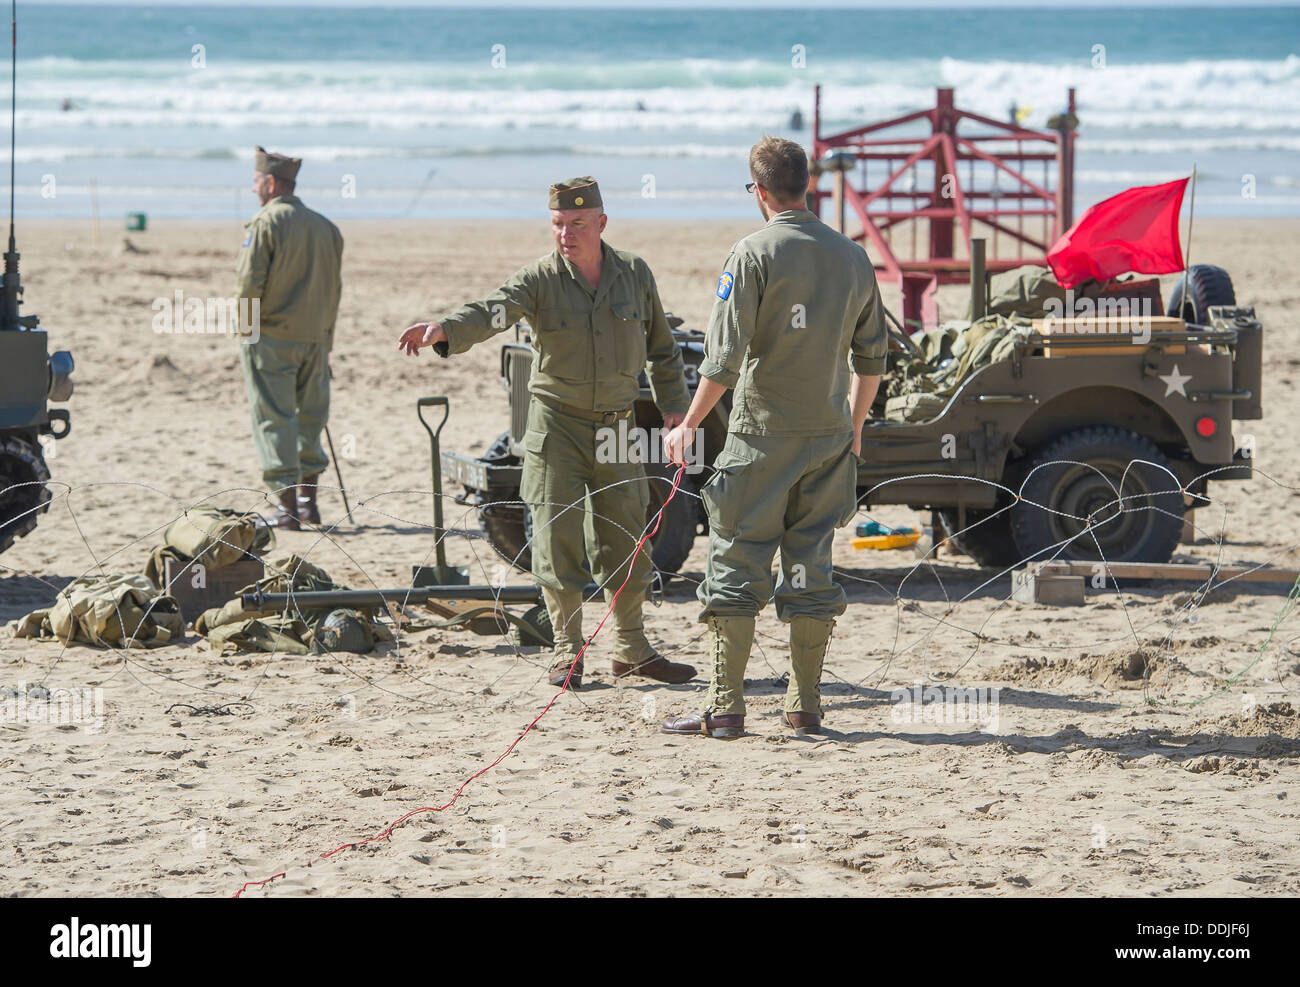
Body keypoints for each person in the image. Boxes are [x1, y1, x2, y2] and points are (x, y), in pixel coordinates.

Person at [397, 177, 696, 689]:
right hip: (557, 426)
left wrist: (674, 407)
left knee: (627, 537)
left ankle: (632, 649)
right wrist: (445, 328)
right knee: (556, 538)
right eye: (558, 223)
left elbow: (662, 349)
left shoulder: (634, 274)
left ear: (601, 223)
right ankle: (567, 652)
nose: (566, 233)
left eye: (578, 223)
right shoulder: (539, 279)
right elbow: (494, 309)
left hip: (618, 427)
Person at [660, 137, 886, 739]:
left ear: (759, 192)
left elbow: (722, 359)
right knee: (811, 567)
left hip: (761, 436)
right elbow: (873, 363)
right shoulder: (854, 257)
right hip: (829, 436)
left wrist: (686, 425)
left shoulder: (752, 252)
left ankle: (725, 707)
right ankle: (805, 705)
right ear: (807, 184)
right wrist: (855, 428)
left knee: (736, 560)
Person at [236, 146, 343, 529]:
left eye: (255, 182)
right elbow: (334, 291)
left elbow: (249, 286)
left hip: (272, 340)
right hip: (315, 339)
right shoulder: (326, 227)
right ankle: (308, 504)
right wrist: (326, 341)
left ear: (269, 183)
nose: (253, 190)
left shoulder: (265, 223)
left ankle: (286, 510)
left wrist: (246, 336)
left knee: (274, 420)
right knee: (311, 418)